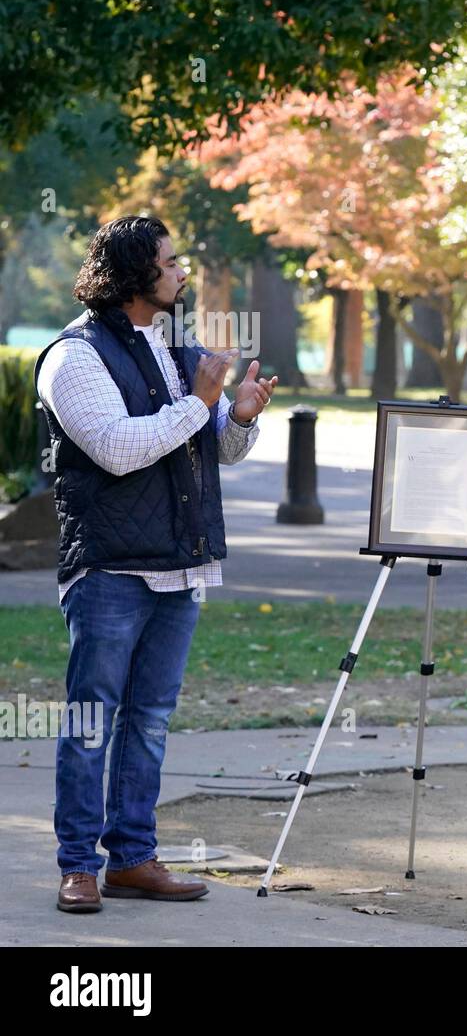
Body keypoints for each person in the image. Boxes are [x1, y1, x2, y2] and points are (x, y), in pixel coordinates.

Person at [34, 216, 278, 914]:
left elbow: (216, 452)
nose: (180, 273)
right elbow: (116, 449)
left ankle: (132, 857)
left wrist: (240, 418)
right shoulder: (73, 357)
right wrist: (200, 402)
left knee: (149, 721)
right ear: (135, 274)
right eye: (169, 262)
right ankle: (78, 864)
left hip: (181, 566)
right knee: (93, 721)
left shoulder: (178, 349)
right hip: (110, 568)